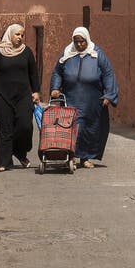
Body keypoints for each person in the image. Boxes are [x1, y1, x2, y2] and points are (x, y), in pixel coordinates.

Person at [50, 26, 119, 169]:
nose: (80, 45)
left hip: (93, 100)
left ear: (87, 40)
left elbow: (108, 74)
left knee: (90, 129)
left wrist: (109, 95)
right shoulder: (67, 53)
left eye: (82, 42)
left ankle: (85, 158)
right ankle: (72, 155)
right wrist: (55, 88)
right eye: (77, 42)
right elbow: (57, 71)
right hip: (71, 98)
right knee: (73, 127)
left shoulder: (97, 54)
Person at [0, 23, 40, 172]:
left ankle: (19, 151)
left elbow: (33, 74)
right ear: (10, 34)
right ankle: (3, 162)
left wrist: (36, 91)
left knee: (25, 125)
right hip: (3, 95)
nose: (20, 38)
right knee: (5, 129)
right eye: (17, 34)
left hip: (23, 95)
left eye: (22, 35)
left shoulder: (27, 52)